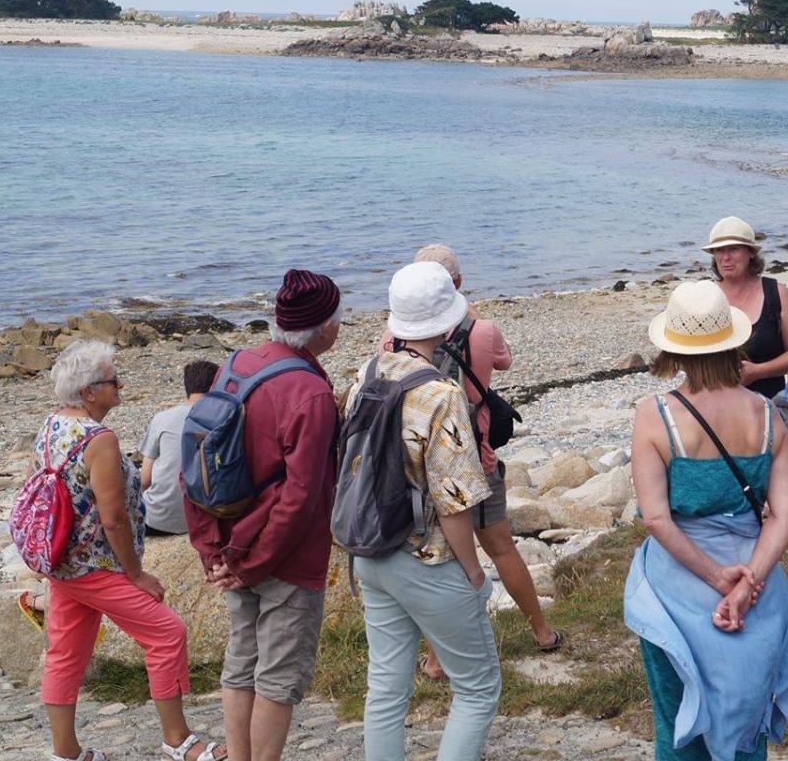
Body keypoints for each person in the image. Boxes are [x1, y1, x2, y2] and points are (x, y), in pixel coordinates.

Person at [625, 280, 788, 760]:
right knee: (747, 719)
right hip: (757, 581)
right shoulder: (768, 414)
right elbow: (786, 511)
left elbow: (657, 519)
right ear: (734, 340)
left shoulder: (654, 414)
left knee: (678, 719)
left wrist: (717, 577)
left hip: (677, 587)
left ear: (673, 348)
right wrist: (748, 583)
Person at [33, 339, 222, 761]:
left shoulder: (51, 426)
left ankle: (66, 753)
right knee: (167, 632)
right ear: (88, 392)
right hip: (94, 565)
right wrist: (136, 574)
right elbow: (113, 518)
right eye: (111, 379)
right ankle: (178, 741)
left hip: (62, 561)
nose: (120, 383)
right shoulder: (99, 439)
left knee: (65, 653)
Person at [385, 245, 561, 682]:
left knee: (437, 559)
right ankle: (541, 631)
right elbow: (505, 361)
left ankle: (436, 658)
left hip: (417, 469)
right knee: (501, 549)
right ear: (457, 288)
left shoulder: (390, 342)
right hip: (475, 462)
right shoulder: (484, 331)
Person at [186, 270, 342, 761]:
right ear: (322, 329)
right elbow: (301, 497)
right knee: (278, 677)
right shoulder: (311, 392)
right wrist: (252, 563)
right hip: (284, 555)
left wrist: (213, 551)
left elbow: (195, 462)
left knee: (240, 664)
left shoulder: (236, 364)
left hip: (231, 539)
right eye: (339, 316)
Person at [351, 261, 499, 761]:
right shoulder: (440, 394)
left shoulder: (366, 375)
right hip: (425, 556)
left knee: (386, 689)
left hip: (372, 551)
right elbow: (452, 502)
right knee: (478, 690)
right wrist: (475, 574)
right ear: (446, 324)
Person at [703, 216, 788, 400]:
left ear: (750, 252)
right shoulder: (705, 297)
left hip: (768, 406)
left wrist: (759, 371)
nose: (726, 258)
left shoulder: (776, 294)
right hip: (714, 406)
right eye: (719, 250)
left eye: (733, 249)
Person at [140, 360, 220, 537]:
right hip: (207, 520)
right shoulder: (223, 419)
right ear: (217, 386)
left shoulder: (162, 418)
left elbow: (145, 480)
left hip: (156, 520)